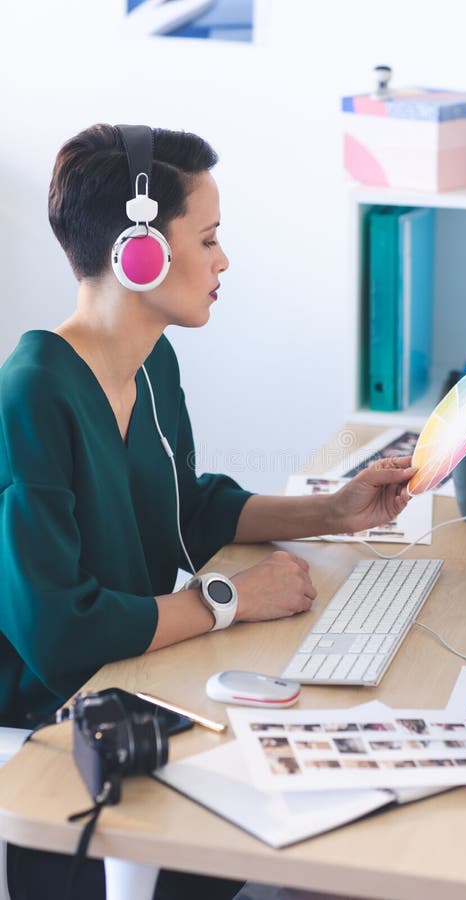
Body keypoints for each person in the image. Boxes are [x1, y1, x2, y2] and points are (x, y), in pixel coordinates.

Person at [0, 123, 416, 899]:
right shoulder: (33, 394)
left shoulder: (152, 361)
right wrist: (227, 601)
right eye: (210, 238)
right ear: (140, 252)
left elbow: (186, 509)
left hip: (153, 684)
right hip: (65, 749)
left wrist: (335, 513)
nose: (223, 261)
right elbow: (58, 631)